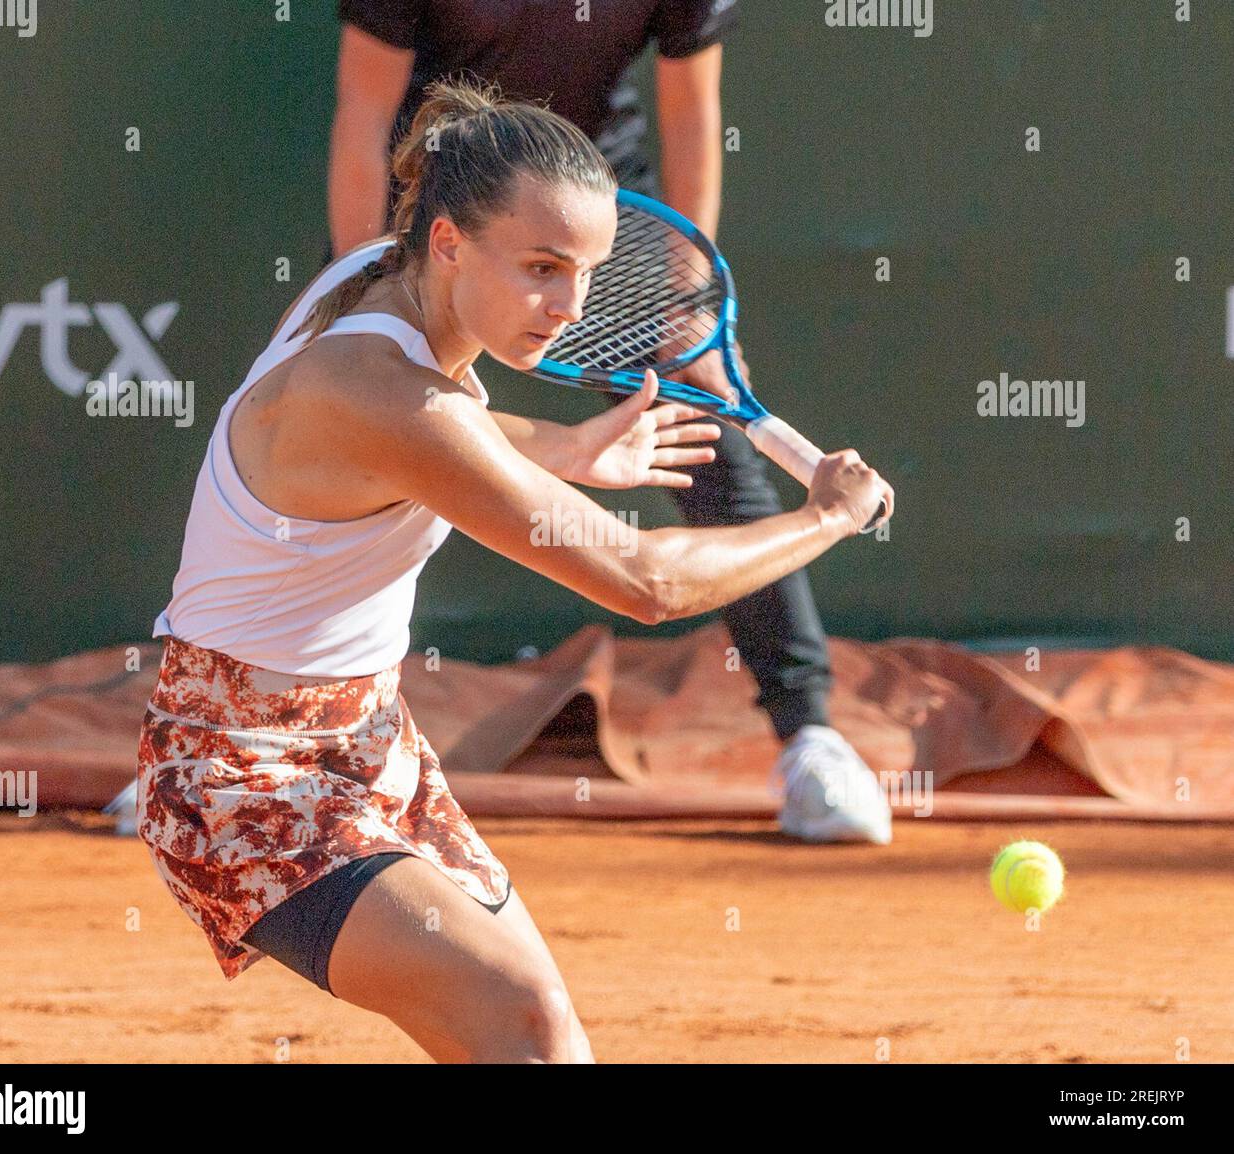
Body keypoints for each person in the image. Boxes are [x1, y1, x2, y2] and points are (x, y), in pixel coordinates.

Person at [137, 82, 891, 1063]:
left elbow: (412, 439)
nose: (569, 307)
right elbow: (644, 581)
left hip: (370, 747)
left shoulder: (372, 273)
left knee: (541, 1040)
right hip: (238, 777)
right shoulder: (386, 394)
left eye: (585, 271)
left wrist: (565, 452)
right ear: (447, 240)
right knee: (521, 1013)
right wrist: (822, 518)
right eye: (540, 267)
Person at [328, 0, 895, 844]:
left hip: (601, 204)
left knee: (704, 447)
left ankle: (809, 735)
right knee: (358, 452)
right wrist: (360, 288)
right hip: (449, 203)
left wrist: (687, 301)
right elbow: (367, 112)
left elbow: (691, 113)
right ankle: (250, 745)